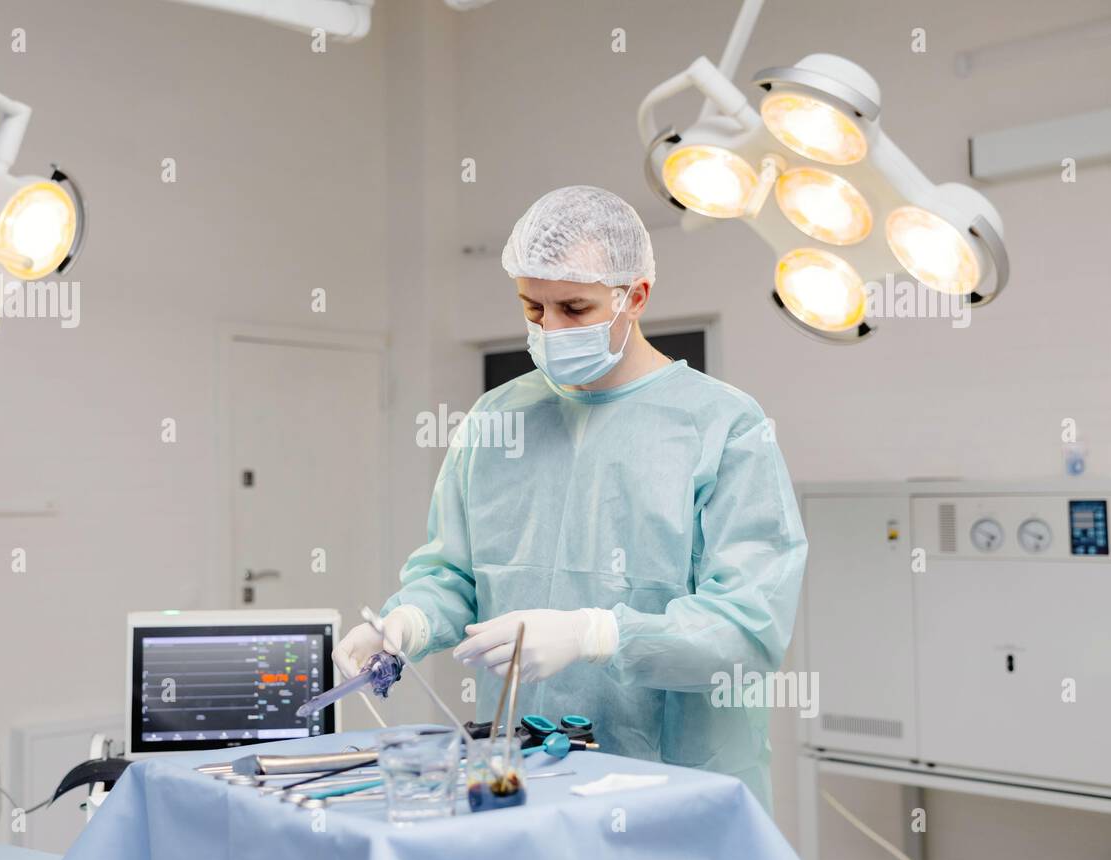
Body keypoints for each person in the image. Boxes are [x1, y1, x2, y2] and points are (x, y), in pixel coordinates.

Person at [334, 184, 807, 812]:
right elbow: (454, 574)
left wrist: (597, 635)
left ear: (634, 296)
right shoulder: (497, 419)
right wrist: (408, 622)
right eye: (533, 309)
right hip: (524, 778)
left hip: (675, 785)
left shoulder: (723, 426)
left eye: (575, 309)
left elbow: (747, 630)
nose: (551, 329)